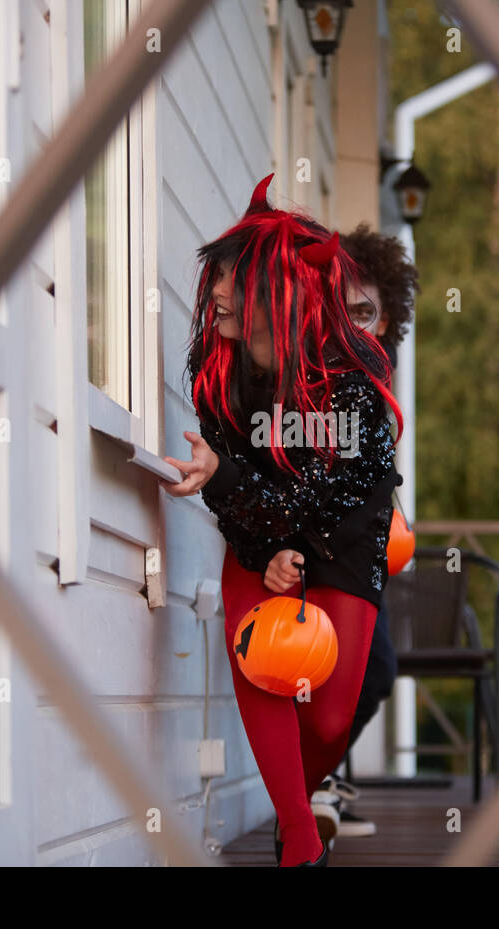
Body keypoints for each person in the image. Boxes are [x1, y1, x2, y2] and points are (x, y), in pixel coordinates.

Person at [162, 176, 403, 868]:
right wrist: (262, 546)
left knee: (328, 719)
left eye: (231, 281)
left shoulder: (352, 379)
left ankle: (294, 801)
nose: (214, 294)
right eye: (215, 280)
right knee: (265, 662)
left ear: (276, 287)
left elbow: (342, 488)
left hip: (345, 539)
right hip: (258, 537)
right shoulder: (220, 377)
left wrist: (287, 540)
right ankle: (298, 836)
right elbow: (222, 486)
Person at [308, 223, 419, 840]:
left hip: (363, 536)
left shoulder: (382, 361)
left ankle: (319, 783)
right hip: (310, 534)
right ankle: (308, 791)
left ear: (386, 311)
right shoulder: (314, 359)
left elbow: (379, 450)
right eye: (343, 298)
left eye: (366, 304)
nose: (353, 313)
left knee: (369, 672)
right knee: (333, 669)